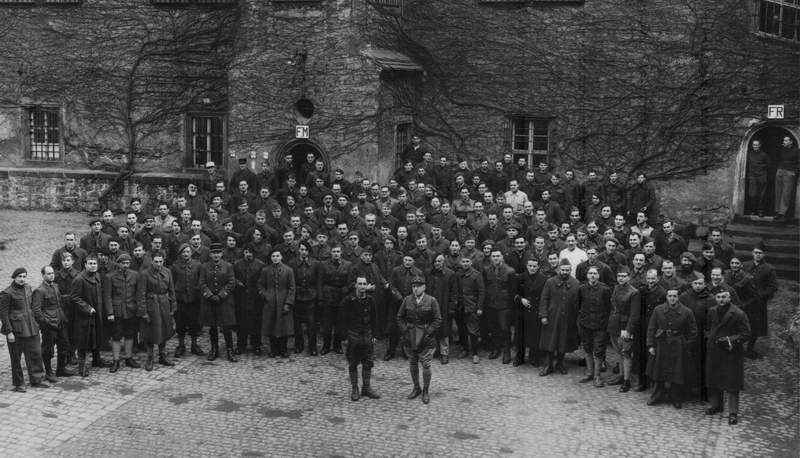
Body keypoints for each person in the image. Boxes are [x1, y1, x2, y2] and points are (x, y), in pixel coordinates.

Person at [645, 288, 697, 409]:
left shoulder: (687, 311)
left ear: (678, 297)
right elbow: (651, 328)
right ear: (666, 297)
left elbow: (693, 331)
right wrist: (651, 345)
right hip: (661, 343)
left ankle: (676, 397)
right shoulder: (658, 310)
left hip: (678, 345)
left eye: (674, 296)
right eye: (669, 296)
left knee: (677, 372)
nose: (672, 298)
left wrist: (686, 345)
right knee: (658, 370)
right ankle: (657, 395)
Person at [705, 290, 751, 425]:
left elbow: (746, 333)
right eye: (718, 297)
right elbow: (708, 328)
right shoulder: (712, 311)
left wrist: (730, 340)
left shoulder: (738, 313)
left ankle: (733, 412)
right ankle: (716, 405)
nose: (721, 300)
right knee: (713, 379)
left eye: (724, 297)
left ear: (730, 298)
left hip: (731, 353)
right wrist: (710, 338)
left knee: (732, 383)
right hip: (714, 351)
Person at [1, 268, 49, 391]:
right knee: (16, 357)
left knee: (35, 353)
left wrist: (37, 323)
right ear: (14, 277)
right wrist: (9, 332)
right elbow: (3, 314)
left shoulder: (28, 288)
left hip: (31, 326)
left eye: (24, 276)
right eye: (19, 277)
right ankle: (19, 383)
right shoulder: (7, 293)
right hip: (16, 330)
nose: (22, 279)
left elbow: (33, 306)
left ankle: (36, 379)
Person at [397, 276, 442, 404]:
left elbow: (438, 319)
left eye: (418, 286)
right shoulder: (407, 300)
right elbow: (399, 317)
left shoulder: (431, 301)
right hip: (410, 337)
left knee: (426, 364)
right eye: (413, 286)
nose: (415, 288)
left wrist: (428, 332)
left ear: (424, 287)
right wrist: (405, 330)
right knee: (412, 362)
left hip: (426, 339)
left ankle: (425, 390)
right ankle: (416, 387)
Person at [342, 276, 381, 401]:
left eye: (364, 284)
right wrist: (345, 337)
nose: (363, 286)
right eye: (360, 284)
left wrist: (375, 335)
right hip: (353, 335)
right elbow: (341, 320)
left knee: (368, 362)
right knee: (353, 363)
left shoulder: (371, 300)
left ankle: (366, 388)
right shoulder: (349, 301)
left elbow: (375, 318)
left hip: (367, 336)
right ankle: (355, 389)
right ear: (356, 286)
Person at [33, 265, 74, 381]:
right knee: (48, 349)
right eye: (49, 274)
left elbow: (59, 300)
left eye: (52, 273)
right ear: (43, 275)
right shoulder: (39, 291)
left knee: (64, 345)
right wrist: (45, 323)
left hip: (60, 321)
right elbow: (36, 310)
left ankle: (61, 369)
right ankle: (49, 372)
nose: (51, 275)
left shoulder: (55, 286)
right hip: (49, 325)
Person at [137, 252, 177, 371]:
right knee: (151, 332)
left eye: (160, 261)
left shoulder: (167, 272)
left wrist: (173, 306)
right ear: (152, 262)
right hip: (152, 305)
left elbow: (171, 290)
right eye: (156, 261)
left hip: (164, 304)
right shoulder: (144, 274)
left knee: (164, 330)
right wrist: (143, 312)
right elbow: (141, 294)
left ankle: (162, 355)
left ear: (163, 261)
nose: (158, 264)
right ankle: (150, 358)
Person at [102, 253, 141, 372]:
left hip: (131, 310)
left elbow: (138, 293)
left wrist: (138, 309)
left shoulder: (135, 275)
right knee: (116, 336)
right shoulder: (110, 276)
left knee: (130, 334)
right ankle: (116, 360)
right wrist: (110, 313)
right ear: (118, 263)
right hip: (117, 311)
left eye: (127, 263)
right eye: (123, 263)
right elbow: (107, 296)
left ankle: (129, 358)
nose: (125, 265)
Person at [200, 243, 238, 362]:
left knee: (226, 327)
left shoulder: (228, 266)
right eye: (213, 253)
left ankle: (229, 350)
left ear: (221, 254)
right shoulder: (204, 266)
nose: (216, 255)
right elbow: (201, 283)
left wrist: (221, 295)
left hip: (224, 302)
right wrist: (210, 295)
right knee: (213, 327)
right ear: (210, 254)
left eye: (218, 253)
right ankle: (214, 349)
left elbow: (231, 283)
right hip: (210, 302)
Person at [71, 255, 109, 376]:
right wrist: (87, 308)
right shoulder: (79, 279)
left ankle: (96, 360)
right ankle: (82, 368)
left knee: (97, 336)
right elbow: (75, 298)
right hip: (84, 316)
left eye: (94, 264)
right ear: (85, 265)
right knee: (84, 341)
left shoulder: (97, 276)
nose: (93, 266)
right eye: (90, 263)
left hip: (97, 313)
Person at [576, 266, 612, 387]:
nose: (592, 276)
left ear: (598, 276)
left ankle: (597, 376)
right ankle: (589, 372)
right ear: (587, 275)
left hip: (600, 325)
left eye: (595, 273)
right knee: (587, 348)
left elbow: (609, 308)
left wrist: (605, 323)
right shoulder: (582, 289)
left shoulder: (605, 290)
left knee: (599, 350)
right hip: (585, 324)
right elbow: (579, 305)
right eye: (590, 273)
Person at [607, 266, 641, 392]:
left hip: (625, 327)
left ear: (629, 277)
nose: (621, 278)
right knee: (618, 352)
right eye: (619, 276)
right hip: (614, 325)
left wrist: (628, 330)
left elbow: (634, 314)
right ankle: (621, 376)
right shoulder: (616, 288)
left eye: (623, 276)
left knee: (626, 353)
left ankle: (627, 381)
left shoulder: (634, 292)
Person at [258, 249, 296, 358]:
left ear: (281, 257)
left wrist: (288, 303)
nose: (275, 258)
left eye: (277, 255)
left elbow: (292, 288)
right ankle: (273, 349)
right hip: (270, 302)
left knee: (284, 326)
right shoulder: (266, 270)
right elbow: (260, 285)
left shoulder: (289, 270)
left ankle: (283, 349)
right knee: (271, 325)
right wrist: (265, 295)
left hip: (283, 301)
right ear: (270, 258)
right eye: (273, 256)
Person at [742, 242, 777, 358]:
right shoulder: (745, 265)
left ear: (764, 254)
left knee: (755, 326)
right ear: (752, 253)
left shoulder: (769, 269)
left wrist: (762, 295)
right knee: (741, 322)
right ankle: (737, 346)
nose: (757, 255)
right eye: (755, 252)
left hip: (758, 302)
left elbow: (773, 287)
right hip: (744, 301)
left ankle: (750, 349)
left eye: (760, 253)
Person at [483, 250, 517, 364]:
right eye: (493, 256)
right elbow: (486, 287)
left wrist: (510, 307)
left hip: (504, 306)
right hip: (491, 304)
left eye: (498, 256)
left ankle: (506, 352)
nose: (496, 258)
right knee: (493, 328)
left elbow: (513, 291)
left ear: (502, 257)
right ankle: (496, 349)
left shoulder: (510, 271)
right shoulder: (487, 270)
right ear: (491, 258)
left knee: (505, 329)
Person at [171, 244, 204, 357]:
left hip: (194, 300)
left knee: (194, 323)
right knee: (180, 323)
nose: (186, 254)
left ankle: (194, 345)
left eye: (188, 252)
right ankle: (181, 345)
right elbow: (172, 282)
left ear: (191, 253)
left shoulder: (198, 265)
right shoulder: (175, 266)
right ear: (180, 254)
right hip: (180, 300)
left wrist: (197, 291)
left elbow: (201, 280)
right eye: (183, 252)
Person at [233, 245, 267, 355]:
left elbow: (263, 281)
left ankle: (256, 345)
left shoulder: (260, 265)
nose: (249, 254)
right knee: (241, 323)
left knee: (256, 322)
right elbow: (232, 278)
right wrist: (238, 283)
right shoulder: (237, 264)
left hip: (256, 298)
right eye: (246, 252)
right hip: (241, 297)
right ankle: (241, 345)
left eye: (251, 252)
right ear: (243, 252)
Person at [289, 242, 322, 355]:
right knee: (297, 323)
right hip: (297, 296)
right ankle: (299, 345)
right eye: (301, 249)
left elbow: (319, 281)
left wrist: (318, 296)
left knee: (311, 323)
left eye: (305, 250)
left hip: (311, 296)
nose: (303, 252)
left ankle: (312, 347)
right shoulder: (292, 263)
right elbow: (291, 281)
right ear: (298, 250)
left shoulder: (316, 264)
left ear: (309, 251)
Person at [514, 258, 547, 367]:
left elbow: (545, 296)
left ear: (538, 267)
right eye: (530, 266)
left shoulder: (543, 279)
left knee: (535, 335)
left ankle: (534, 357)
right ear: (527, 266)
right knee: (520, 335)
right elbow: (514, 293)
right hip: (522, 311)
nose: (532, 268)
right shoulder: (520, 278)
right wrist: (521, 299)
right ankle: (520, 357)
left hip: (535, 310)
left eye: (534, 266)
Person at [426, 254, 458, 364]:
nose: (437, 263)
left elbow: (454, 293)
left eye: (439, 261)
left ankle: (444, 353)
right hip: (431, 307)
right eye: (435, 261)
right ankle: (433, 351)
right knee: (431, 330)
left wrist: (451, 308)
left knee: (444, 331)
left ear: (443, 262)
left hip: (444, 307)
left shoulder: (450, 274)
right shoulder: (429, 273)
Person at [456, 256, 485, 364]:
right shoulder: (458, 274)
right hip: (461, 306)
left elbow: (482, 292)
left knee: (473, 331)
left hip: (472, 306)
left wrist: (479, 307)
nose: (465, 263)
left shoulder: (476, 275)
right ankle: (465, 349)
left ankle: (475, 353)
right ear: (460, 262)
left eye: (467, 261)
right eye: (463, 261)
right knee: (462, 330)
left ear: (471, 262)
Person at [773, 135, 798, 220]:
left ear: (791, 142)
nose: (784, 142)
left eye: (786, 140)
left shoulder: (796, 151)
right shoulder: (781, 150)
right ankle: (777, 211)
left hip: (789, 172)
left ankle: (782, 213)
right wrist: (778, 169)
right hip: (780, 171)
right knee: (778, 191)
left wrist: (794, 172)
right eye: (784, 140)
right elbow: (776, 159)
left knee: (786, 193)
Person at [746, 139, 770, 216]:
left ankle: (760, 211)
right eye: (754, 145)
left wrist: (761, 167)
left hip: (762, 176)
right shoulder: (750, 154)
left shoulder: (764, 155)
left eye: (756, 145)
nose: (755, 146)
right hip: (752, 176)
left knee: (761, 195)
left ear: (760, 145)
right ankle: (753, 210)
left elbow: (769, 165)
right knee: (752, 194)